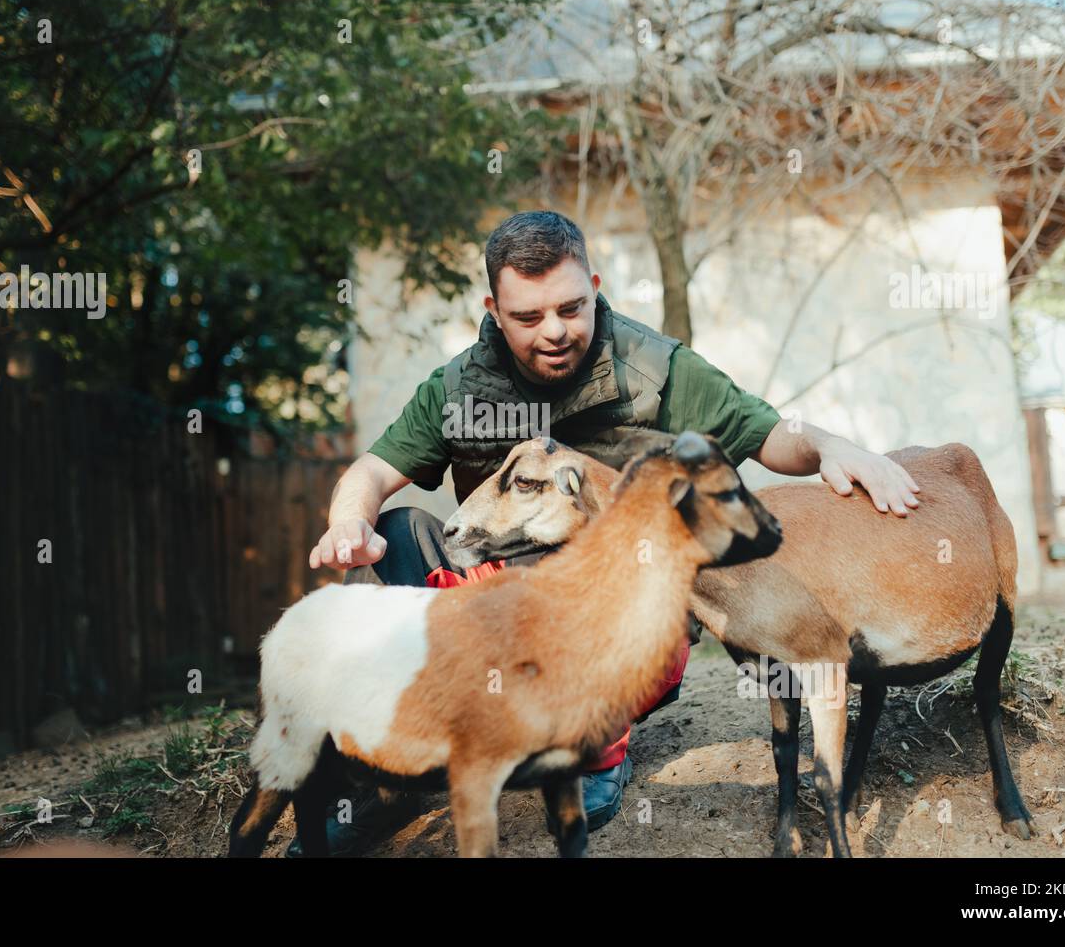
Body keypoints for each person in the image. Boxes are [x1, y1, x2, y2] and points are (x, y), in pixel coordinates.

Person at [295, 210, 921, 856]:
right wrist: (349, 521)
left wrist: (830, 446)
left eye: (572, 307)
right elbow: (371, 470)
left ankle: (594, 752)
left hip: (622, 617)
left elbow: (766, 434)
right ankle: (381, 784)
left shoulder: (657, 370)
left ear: (594, 285)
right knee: (393, 539)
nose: (557, 331)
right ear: (494, 308)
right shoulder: (459, 387)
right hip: (504, 597)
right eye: (529, 317)